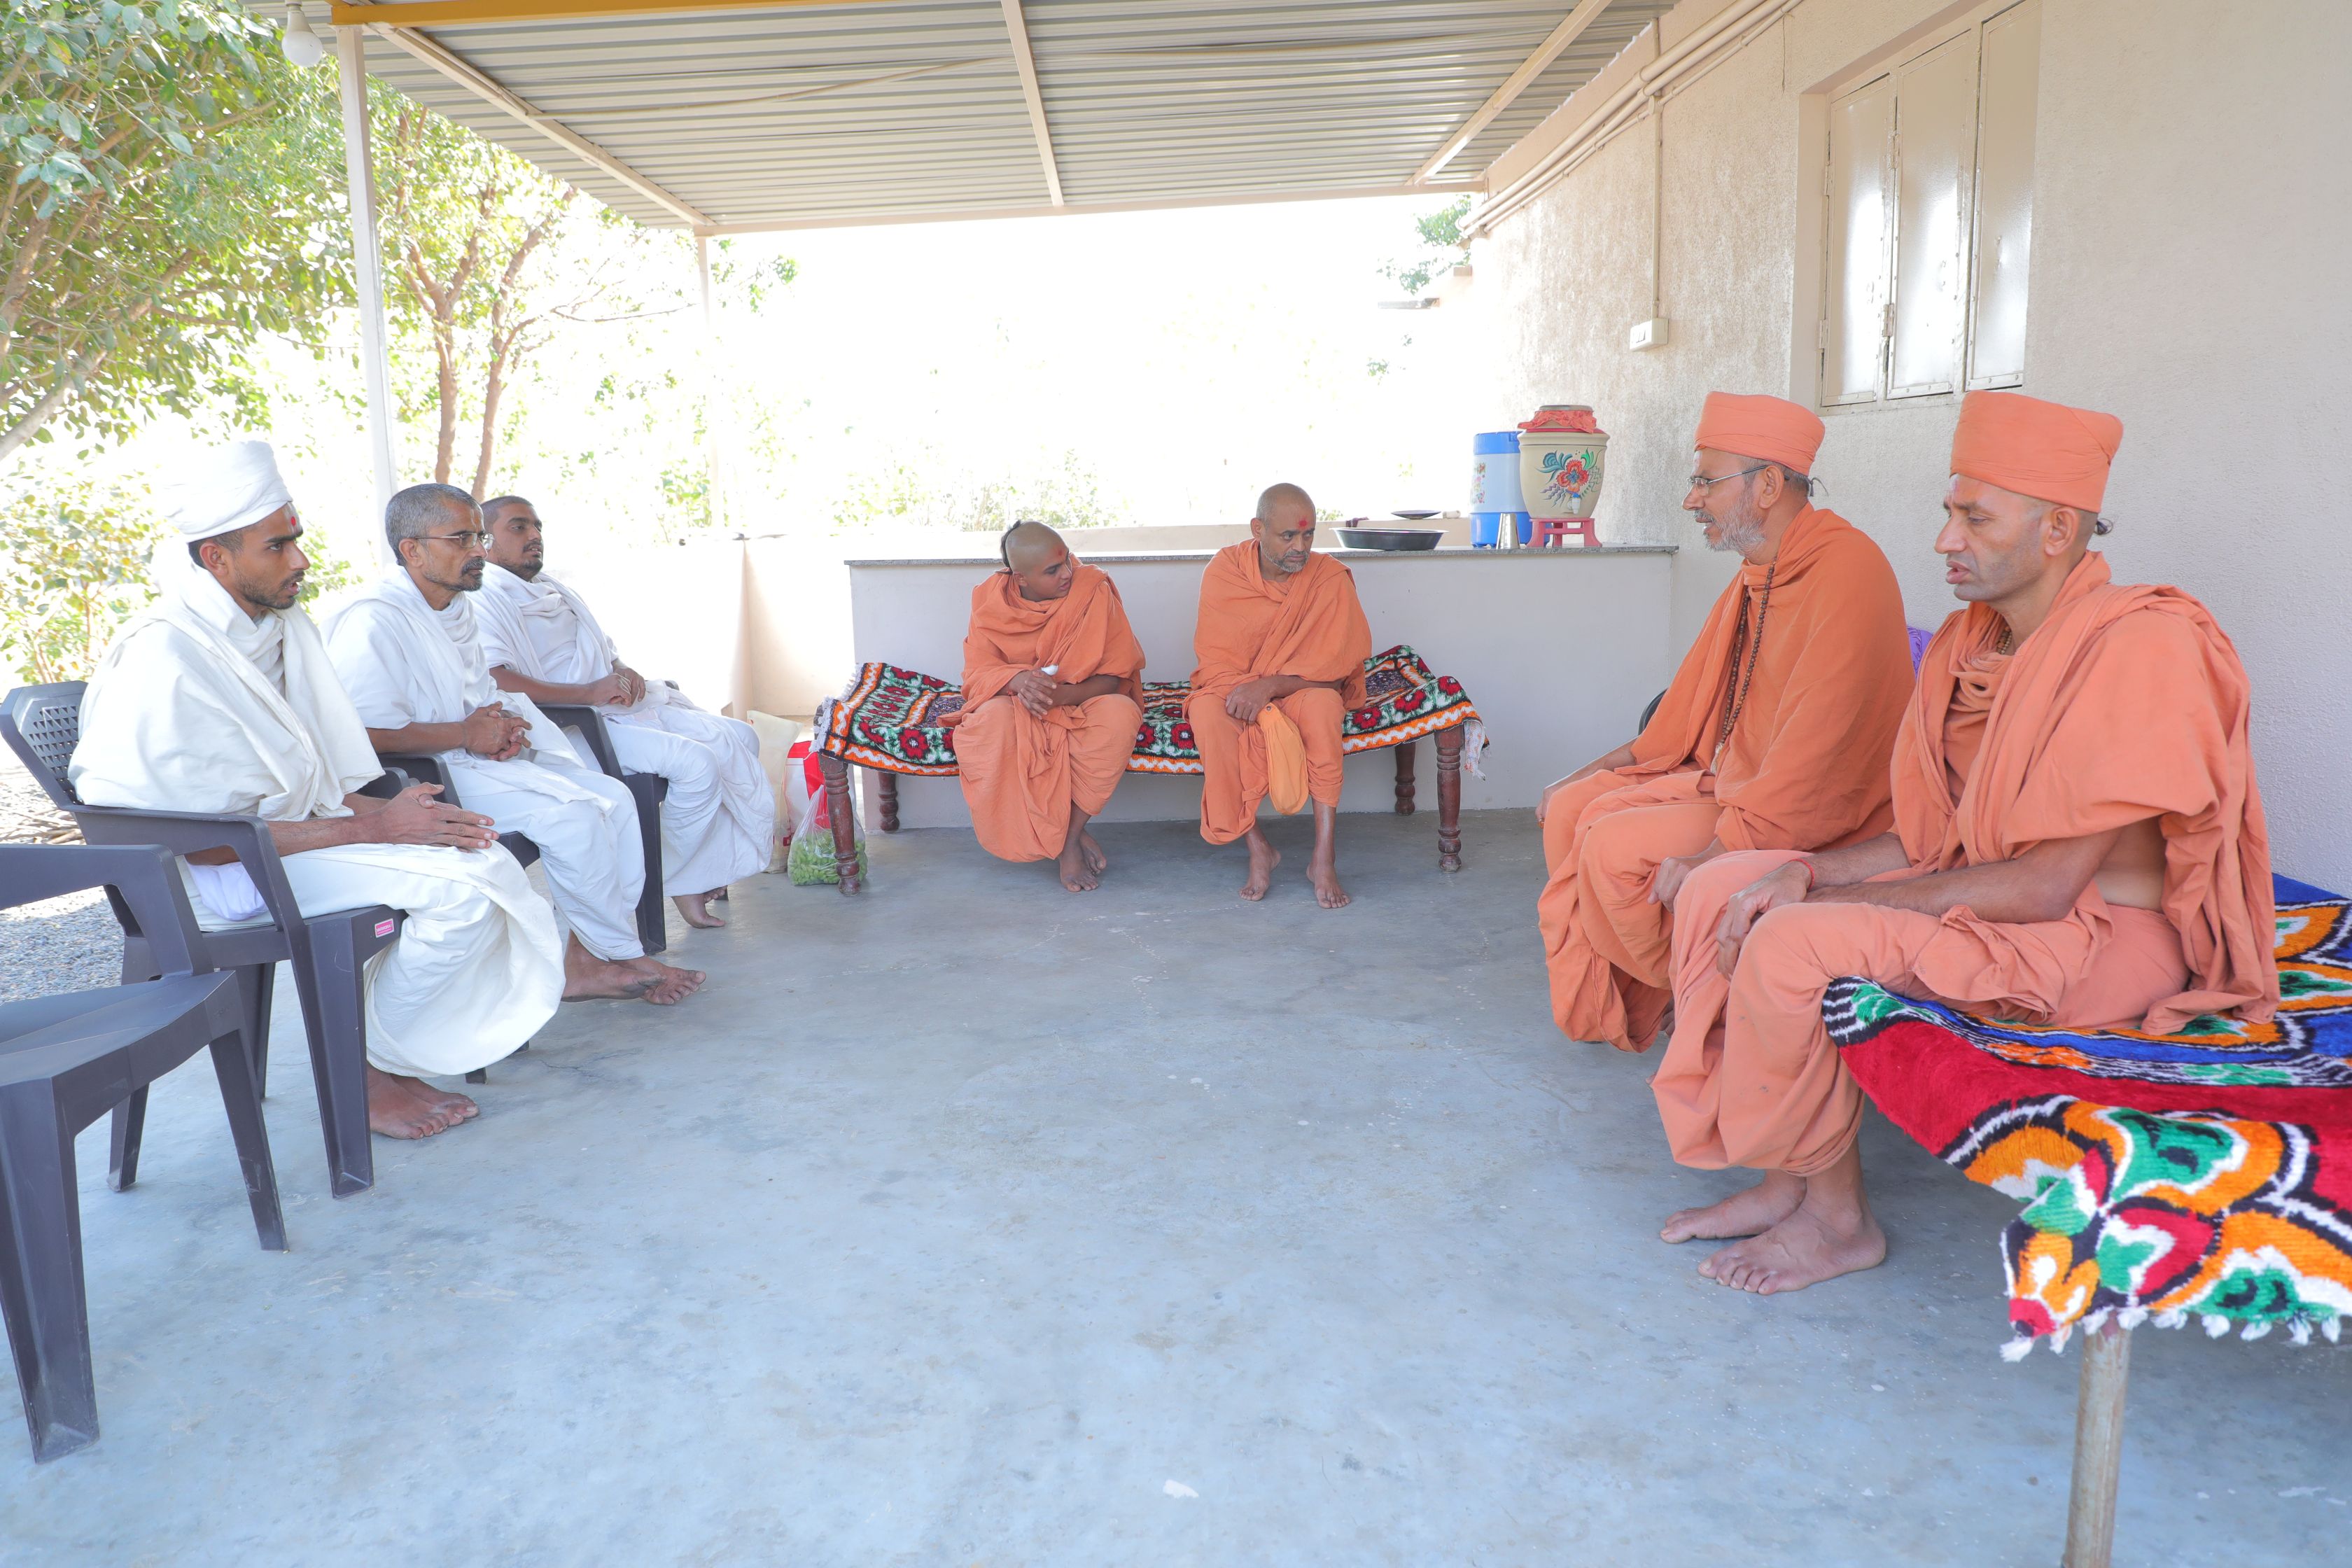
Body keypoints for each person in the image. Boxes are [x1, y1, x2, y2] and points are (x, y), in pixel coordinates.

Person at [1653, 391, 2277, 1294]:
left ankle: (1836, 1222)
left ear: (2058, 529)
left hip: (2100, 941)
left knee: (1795, 937)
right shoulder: (1969, 642)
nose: (1946, 539)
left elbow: (2046, 885)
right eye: (1950, 513)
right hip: (2005, 904)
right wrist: (1802, 869)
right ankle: (1786, 1178)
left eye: (1974, 517)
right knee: (1729, 885)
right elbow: (1931, 838)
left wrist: (1819, 902)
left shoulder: (2143, 645)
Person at [71, 442, 564, 1139]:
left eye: (295, 539)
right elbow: (192, 838)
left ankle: (378, 1054)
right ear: (217, 558)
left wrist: (397, 812)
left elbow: (306, 783)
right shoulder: (163, 657)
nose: (300, 559)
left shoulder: (276, 630)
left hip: (286, 844)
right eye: (278, 544)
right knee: (465, 890)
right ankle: (364, 1067)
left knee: (482, 855)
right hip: (210, 881)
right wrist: (375, 827)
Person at [1534, 393, 1912, 1052]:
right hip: (1732, 779)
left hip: (1809, 811)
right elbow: (1684, 719)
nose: (1691, 500)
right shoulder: (1758, 572)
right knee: (1569, 807)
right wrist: (1591, 770)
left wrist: (1714, 853)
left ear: (1767, 485)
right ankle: (1662, 991)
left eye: (1706, 480)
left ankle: (1701, 989)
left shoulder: (1848, 570)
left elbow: (1816, 760)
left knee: (1611, 848)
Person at [325, 484, 705, 1006]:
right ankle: (609, 956)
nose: (479, 551)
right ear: (411, 549)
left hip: (471, 758)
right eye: (461, 539)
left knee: (613, 801)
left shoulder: (453, 609)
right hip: (419, 777)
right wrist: (467, 735)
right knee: (573, 817)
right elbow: (360, 736)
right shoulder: (373, 620)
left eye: (479, 537)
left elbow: (478, 698)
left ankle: (589, 955)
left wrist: (504, 728)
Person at [472, 494, 774, 930]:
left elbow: (604, 653)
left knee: (741, 737)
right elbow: (499, 680)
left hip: (610, 707)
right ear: (483, 543)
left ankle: (698, 869)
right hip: (570, 727)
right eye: (518, 527)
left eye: (537, 527)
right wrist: (590, 691)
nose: (535, 536)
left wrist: (623, 673)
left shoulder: (555, 589)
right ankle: (682, 882)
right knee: (696, 764)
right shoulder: (485, 598)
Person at [1186, 482, 1371, 909]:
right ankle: (1258, 849)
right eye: (1288, 536)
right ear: (1257, 529)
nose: (1300, 547)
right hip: (1233, 685)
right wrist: (1251, 693)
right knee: (1211, 718)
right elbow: (1215, 663)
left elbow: (1331, 674)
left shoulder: (1328, 579)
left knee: (1325, 709)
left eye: (1308, 536)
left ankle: (1323, 857)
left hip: (1302, 687)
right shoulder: (1225, 571)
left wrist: (1269, 687)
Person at [940, 520, 1145, 892]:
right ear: (1019, 578)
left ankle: (1068, 840)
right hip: (1016, 702)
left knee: (1120, 713)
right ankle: (1062, 836)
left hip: (1078, 700)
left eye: (1067, 561)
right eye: (1053, 571)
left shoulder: (1092, 590)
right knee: (990, 724)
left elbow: (1113, 679)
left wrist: (1057, 696)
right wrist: (1018, 680)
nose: (1068, 574)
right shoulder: (990, 599)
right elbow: (978, 675)